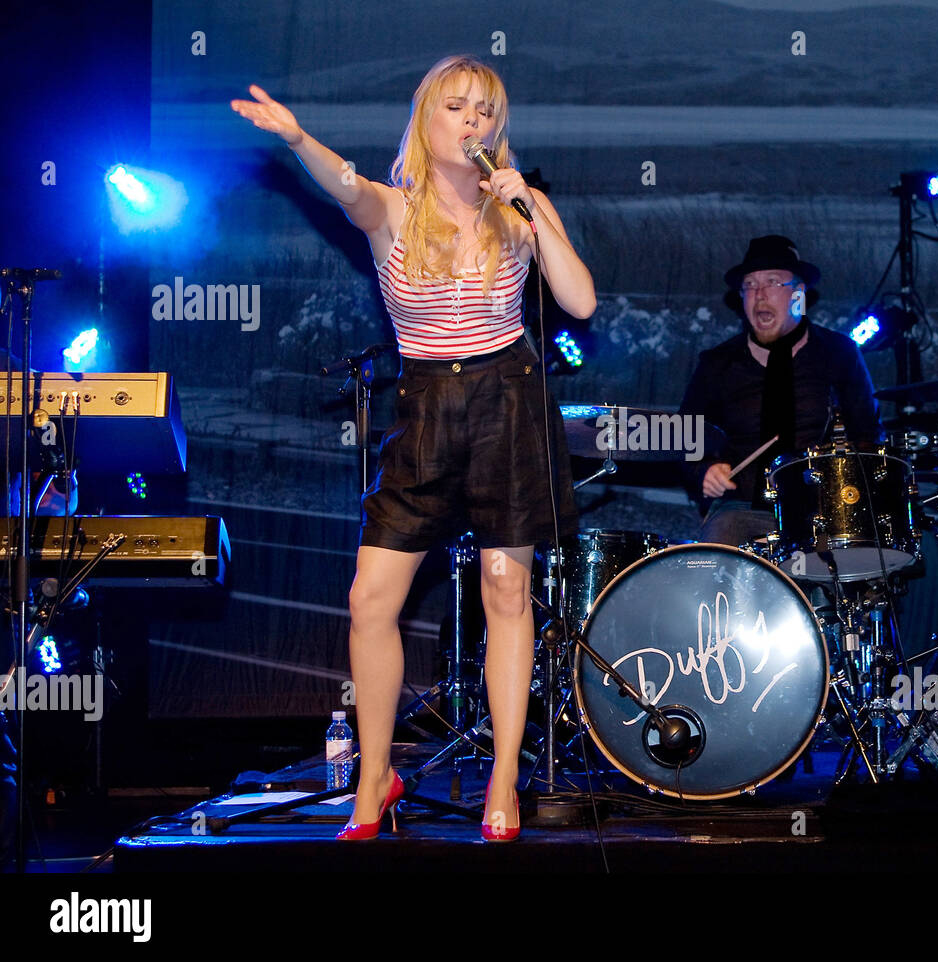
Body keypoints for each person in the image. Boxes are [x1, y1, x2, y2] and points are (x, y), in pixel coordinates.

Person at [232, 55, 595, 841]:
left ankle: (503, 777)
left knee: (506, 588)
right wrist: (298, 139)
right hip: (428, 404)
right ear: (427, 120)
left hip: (508, 397)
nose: (473, 123)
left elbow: (580, 299)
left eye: (486, 112)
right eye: (458, 108)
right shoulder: (397, 210)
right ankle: (375, 775)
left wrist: (528, 207)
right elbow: (348, 188)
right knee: (371, 598)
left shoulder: (521, 207)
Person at [679, 235, 879, 546]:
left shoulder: (840, 354)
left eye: (772, 282)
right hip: (741, 507)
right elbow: (684, 435)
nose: (759, 295)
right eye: (750, 285)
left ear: (798, 295)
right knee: (716, 552)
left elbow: (867, 433)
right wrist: (702, 470)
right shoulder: (718, 364)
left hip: (823, 507)